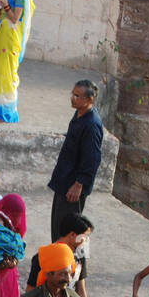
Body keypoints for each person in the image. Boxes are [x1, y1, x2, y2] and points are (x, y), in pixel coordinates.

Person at [47, 80, 104, 235]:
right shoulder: (79, 113)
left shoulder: (92, 125)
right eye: (72, 94)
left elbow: (93, 159)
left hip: (73, 186)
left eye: (77, 96)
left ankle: (71, 259)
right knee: (58, 225)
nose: (73, 98)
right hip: (64, 179)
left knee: (69, 231)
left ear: (89, 99)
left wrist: (79, 184)